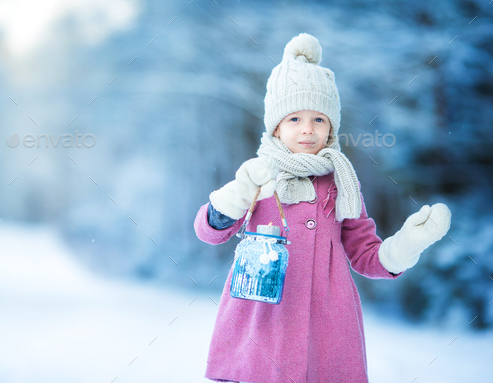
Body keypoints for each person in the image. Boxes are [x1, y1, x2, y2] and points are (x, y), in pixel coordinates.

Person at [193, 33, 452, 383]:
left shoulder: (341, 180)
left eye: (319, 119)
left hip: (327, 322)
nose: (307, 130)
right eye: (294, 119)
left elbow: (364, 253)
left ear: (331, 126)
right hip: (264, 316)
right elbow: (209, 232)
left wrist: (406, 245)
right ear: (276, 125)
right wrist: (230, 201)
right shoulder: (258, 173)